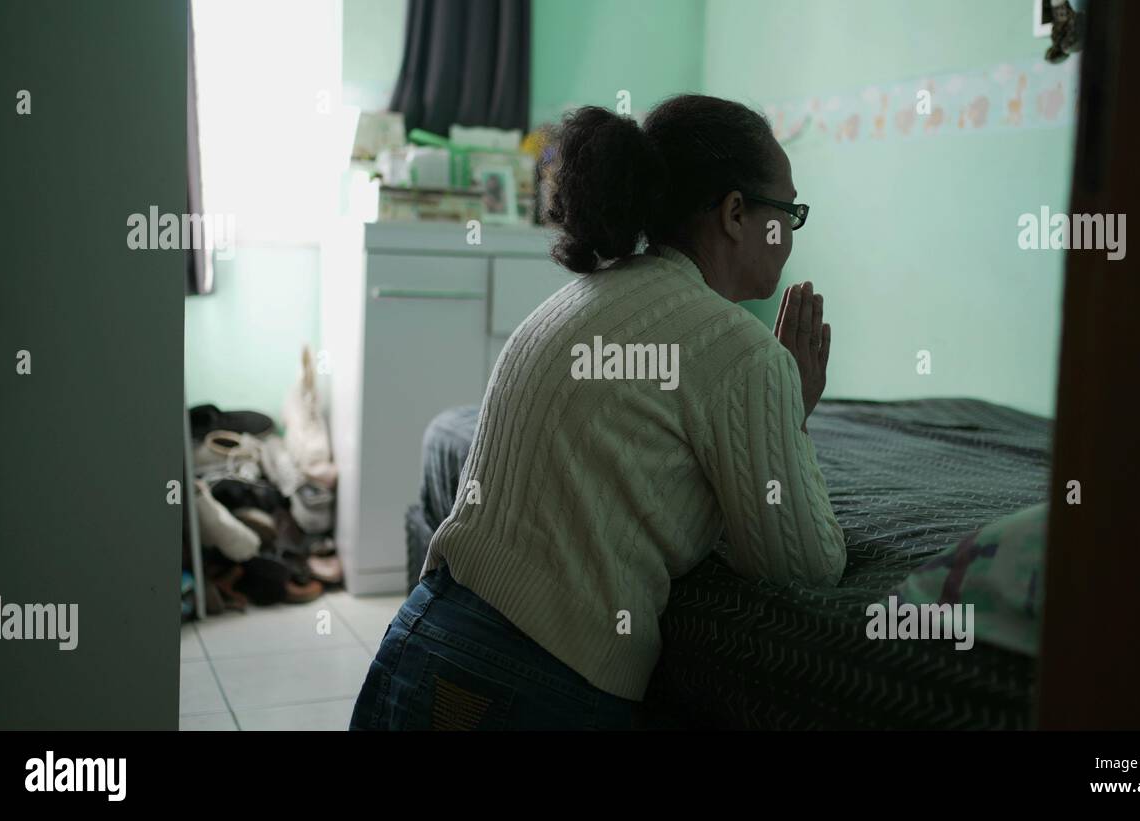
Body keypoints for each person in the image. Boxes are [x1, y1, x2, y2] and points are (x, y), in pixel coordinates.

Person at [351, 94, 846, 731]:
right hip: (534, 683)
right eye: (789, 213)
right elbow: (805, 565)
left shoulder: (573, 300)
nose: (790, 234)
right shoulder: (743, 352)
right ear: (735, 212)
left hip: (421, 632)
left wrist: (778, 412)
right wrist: (791, 417)